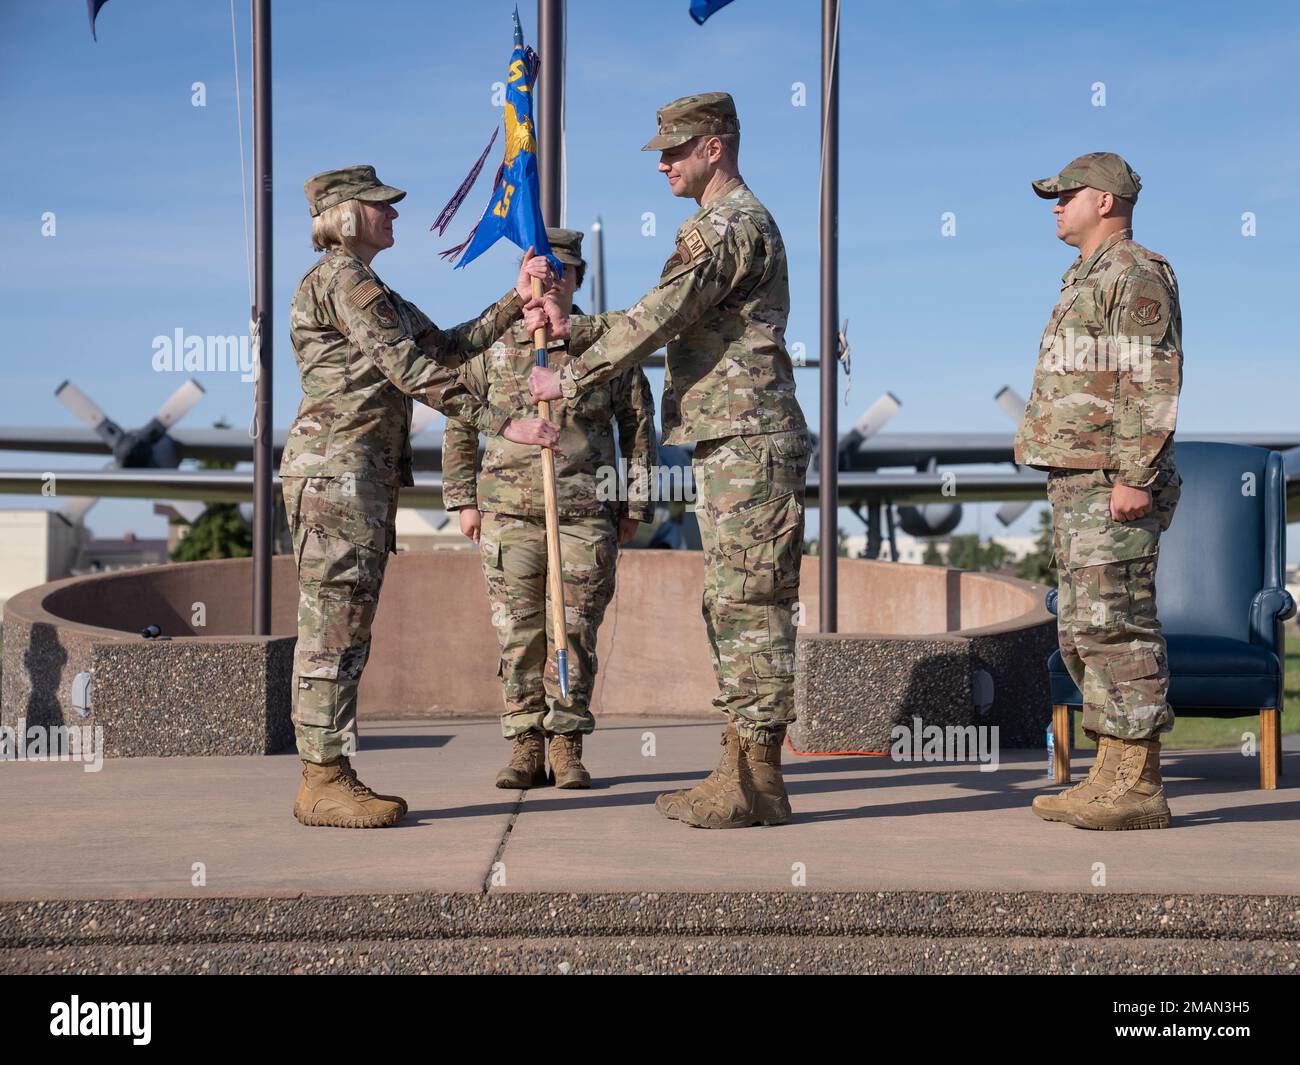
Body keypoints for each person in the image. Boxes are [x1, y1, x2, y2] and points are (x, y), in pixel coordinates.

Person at [529, 94, 810, 829]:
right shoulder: (719, 227)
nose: (662, 161)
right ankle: (748, 771)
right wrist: (573, 327)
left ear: (714, 148)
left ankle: (757, 773)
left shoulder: (731, 224)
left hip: (750, 438)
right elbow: (662, 309)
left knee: (751, 607)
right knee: (731, 604)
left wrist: (571, 374)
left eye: (675, 149)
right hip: (734, 440)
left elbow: (662, 314)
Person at [283, 164, 557, 828]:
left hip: (357, 477)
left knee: (347, 624)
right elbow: (407, 368)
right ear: (345, 214)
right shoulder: (344, 280)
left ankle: (328, 770)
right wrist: (503, 420)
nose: (395, 214)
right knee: (333, 625)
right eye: (382, 206)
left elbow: (443, 346)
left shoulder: (372, 288)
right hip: (336, 474)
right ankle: (321, 777)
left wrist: (513, 303)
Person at [444, 227, 657, 789]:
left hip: (584, 512)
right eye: (539, 273)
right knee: (519, 633)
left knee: (575, 630)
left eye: (559, 274)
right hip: (510, 514)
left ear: (577, 278)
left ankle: (566, 743)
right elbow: (461, 419)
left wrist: (634, 502)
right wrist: (463, 499)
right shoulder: (493, 344)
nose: (549, 283)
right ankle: (524, 746)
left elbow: (638, 427)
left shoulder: (606, 343)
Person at [1015, 152, 1183, 831]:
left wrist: (1136, 476)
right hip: (1078, 480)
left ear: (1106, 201)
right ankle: (1109, 772)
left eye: (1067, 194)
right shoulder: (1084, 277)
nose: (1056, 205)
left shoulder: (1136, 274)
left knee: (1119, 624)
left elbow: (1152, 378)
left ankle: (1139, 784)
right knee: (1084, 631)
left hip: (1114, 482)